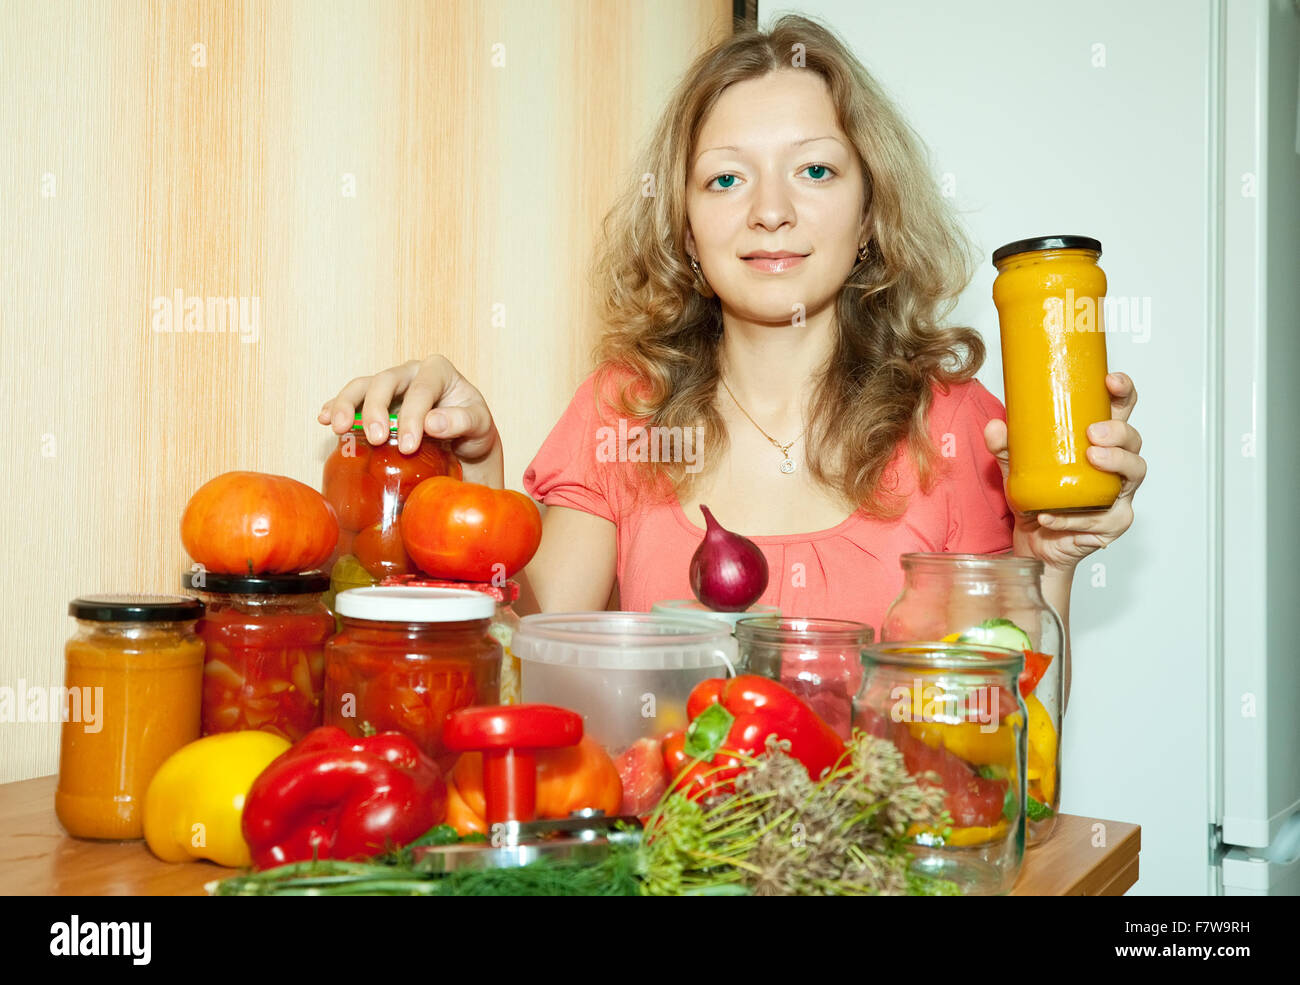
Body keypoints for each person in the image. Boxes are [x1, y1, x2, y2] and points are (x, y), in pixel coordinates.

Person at [318, 15, 1146, 709]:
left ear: (868, 214)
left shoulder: (962, 426)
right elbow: (529, 667)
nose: (772, 212)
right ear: (684, 225)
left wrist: (1047, 564)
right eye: (725, 180)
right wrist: (475, 468)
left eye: (815, 170)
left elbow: (1009, 737)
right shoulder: (626, 413)